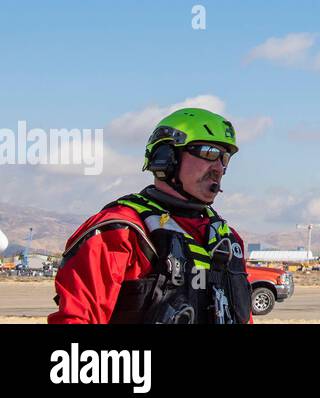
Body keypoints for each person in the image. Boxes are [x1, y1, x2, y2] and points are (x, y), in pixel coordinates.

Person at [49, 107, 253, 323]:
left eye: (225, 158)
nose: (219, 167)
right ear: (167, 157)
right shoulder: (121, 232)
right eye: (209, 153)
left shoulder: (228, 240)